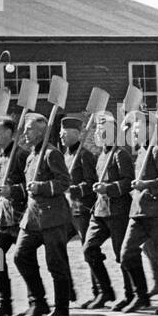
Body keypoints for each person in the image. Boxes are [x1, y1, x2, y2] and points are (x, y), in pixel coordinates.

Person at [12, 112, 73, 316]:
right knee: (20, 256)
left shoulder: (50, 154)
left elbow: (64, 182)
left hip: (52, 216)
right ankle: (38, 303)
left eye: (28, 129)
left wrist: (42, 187)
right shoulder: (31, 156)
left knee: (56, 264)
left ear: (41, 131)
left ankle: (61, 312)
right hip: (32, 218)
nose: (24, 133)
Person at [119, 109, 158, 312]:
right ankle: (141, 296)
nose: (134, 132)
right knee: (127, 254)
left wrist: (147, 184)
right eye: (134, 129)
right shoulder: (141, 152)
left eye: (138, 128)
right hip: (138, 213)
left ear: (151, 129)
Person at [83, 113, 135, 308]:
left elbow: (129, 182)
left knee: (121, 254)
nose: (98, 132)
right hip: (100, 211)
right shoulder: (102, 155)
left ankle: (131, 295)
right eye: (97, 129)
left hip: (118, 211)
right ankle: (106, 291)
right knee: (89, 249)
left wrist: (109, 188)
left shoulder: (120, 154)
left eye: (102, 130)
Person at [0, 117, 28, 316]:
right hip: (3, 220)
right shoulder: (1, 157)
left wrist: (14, 190)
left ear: (11, 133)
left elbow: (30, 186)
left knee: (26, 261)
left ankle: (36, 303)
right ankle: (4, 303)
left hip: (20, 220)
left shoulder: (21, 156)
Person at [60, 114, 98, 301]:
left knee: (88, 250)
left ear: (76, 134)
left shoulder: (85, 155)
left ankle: (98, 290)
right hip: (66, 211)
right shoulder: (65, 156)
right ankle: (68, 289)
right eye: (60, 132)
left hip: (83, 210)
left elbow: (92, 183)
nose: (61, 135)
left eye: (65, 132)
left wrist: (73, 189)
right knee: (57, 248)